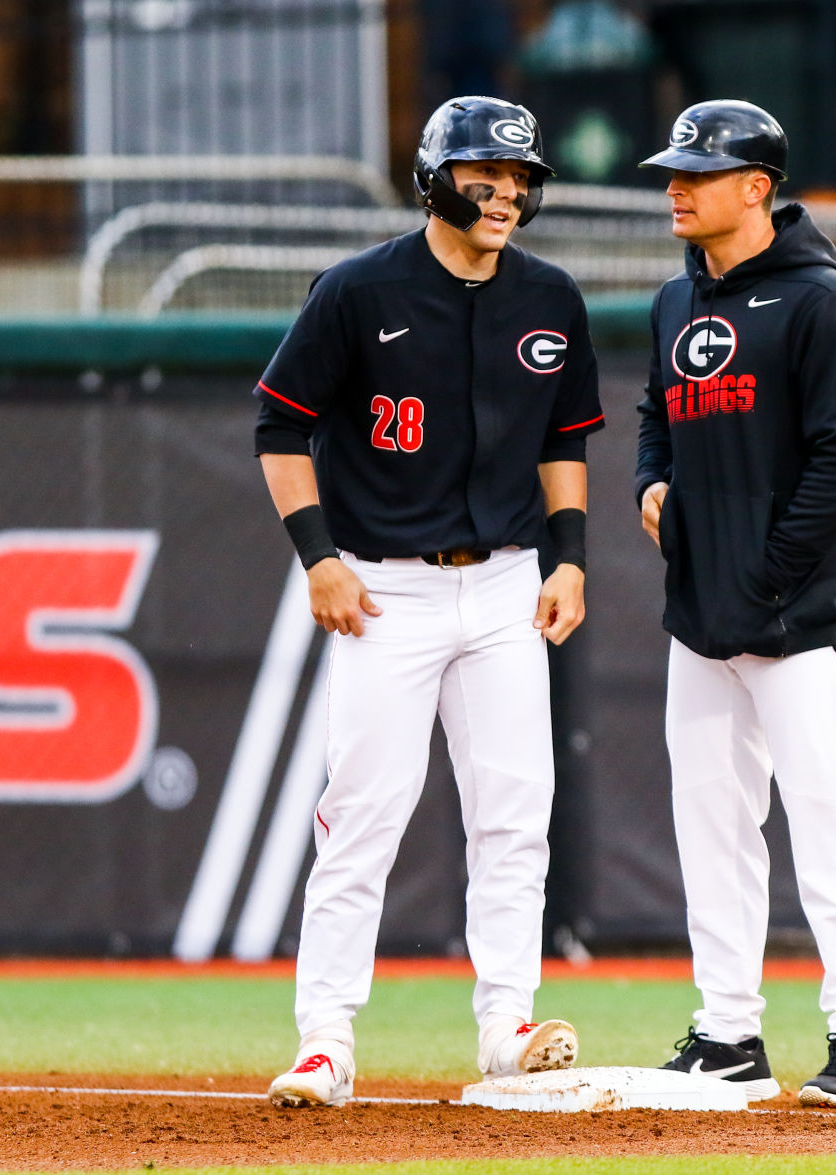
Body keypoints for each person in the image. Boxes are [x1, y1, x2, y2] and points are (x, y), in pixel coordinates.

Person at [254, 95, 604, 1108]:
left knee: (514, 812)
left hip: (502, 581)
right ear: (434, 177)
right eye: (484, 174)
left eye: (520, 177)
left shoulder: (550, 297)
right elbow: (279, 427)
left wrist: (568, 558)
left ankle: (507, 1023)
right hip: (383, 589)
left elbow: (562, 442)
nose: (506, 192)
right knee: (361, 813)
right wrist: (316, 556)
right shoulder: (358, 290)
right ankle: (326, 1038)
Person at [634, 99, 836, 1109]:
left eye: (696, 174)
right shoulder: (672, 302)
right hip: (698, 616)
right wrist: (648, 485)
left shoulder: (826, 305)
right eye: (673, 172)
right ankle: (727, 1026)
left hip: (799, 620)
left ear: (756, 186)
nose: (675, 188)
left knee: (831, 822)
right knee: (711, 822)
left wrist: (770, 571)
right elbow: (656, 418)